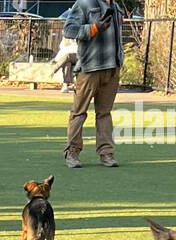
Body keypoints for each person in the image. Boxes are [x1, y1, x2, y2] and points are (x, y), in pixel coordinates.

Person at [62, 0, 123, 169]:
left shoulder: (116, 6)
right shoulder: (84, 4)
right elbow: (68, 30)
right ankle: (72, 153)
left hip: (112, 68)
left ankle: (106, 153)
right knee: (79, 112)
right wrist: (93, 28)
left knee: (104, 114)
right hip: (89, 68)